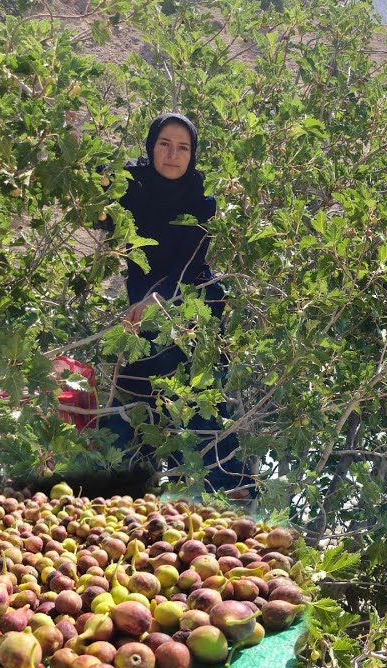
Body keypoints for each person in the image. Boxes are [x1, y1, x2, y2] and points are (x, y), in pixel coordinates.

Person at [100, 112, 251, 496]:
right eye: (165, 144)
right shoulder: (132, 188)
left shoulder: (201, 200)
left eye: (183, 147)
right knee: (137, 397)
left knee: (197, 399)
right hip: (142, 309)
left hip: (191, 302)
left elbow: (193, 260)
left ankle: (223, 493)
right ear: (151, 147)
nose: (173, 154)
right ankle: (136, 499)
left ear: (193, 154)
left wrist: (160, 296)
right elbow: (92, 185)